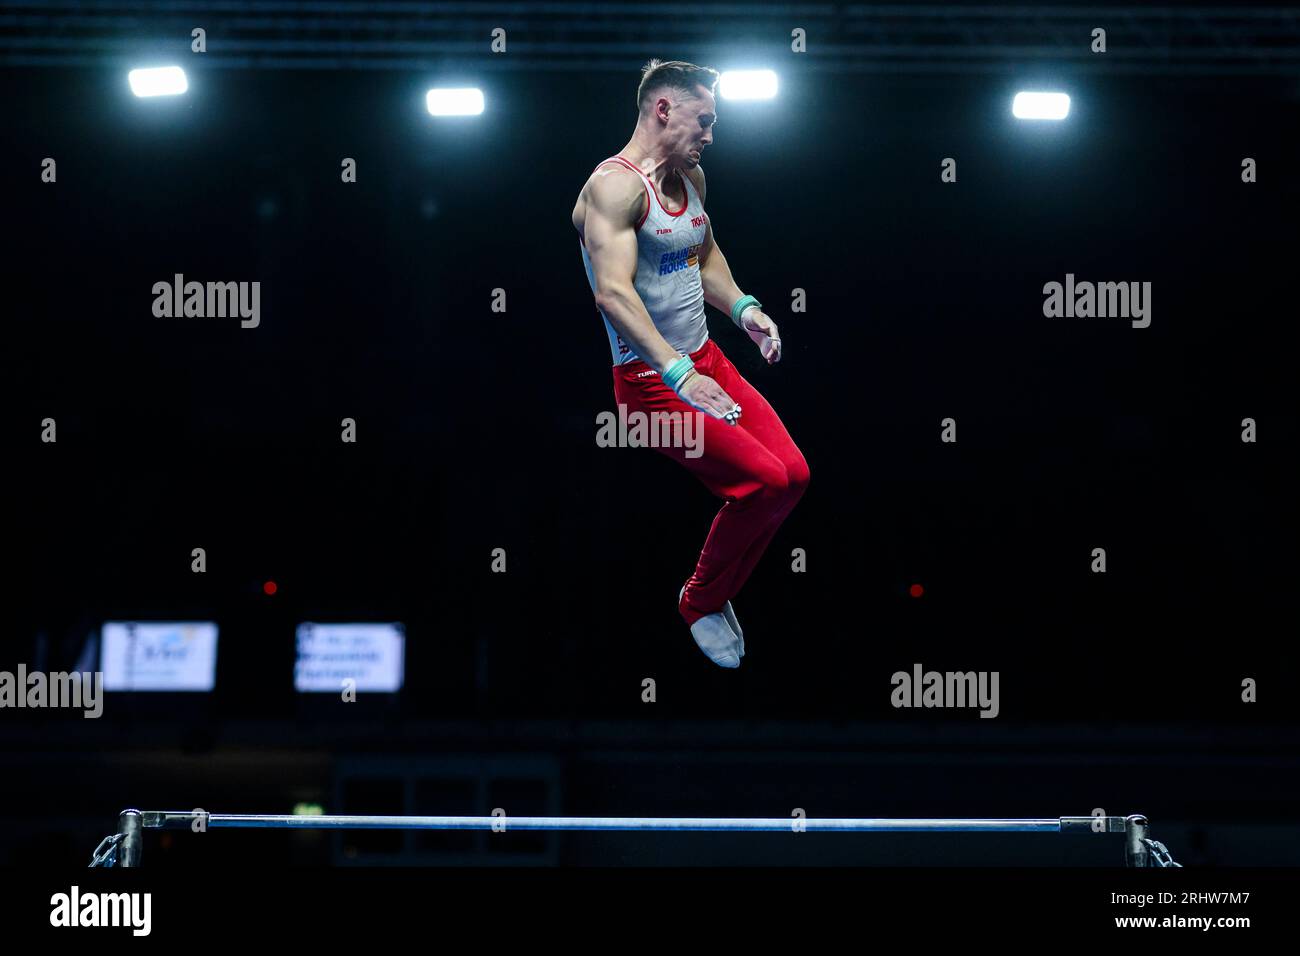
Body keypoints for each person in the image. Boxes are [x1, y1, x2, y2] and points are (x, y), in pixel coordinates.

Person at [571, 59, 809, 668]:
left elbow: (703, 256)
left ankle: (718, 593)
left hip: (706, 361)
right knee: (764, 482)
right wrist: (681, 375)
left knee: (796, 476)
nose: (711, 135)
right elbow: (613, 294)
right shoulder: (614, 188)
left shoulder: (692, 178)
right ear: (663, 110)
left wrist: (746, 310)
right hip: (651, 387)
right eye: (704, 120)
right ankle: (701, 601)